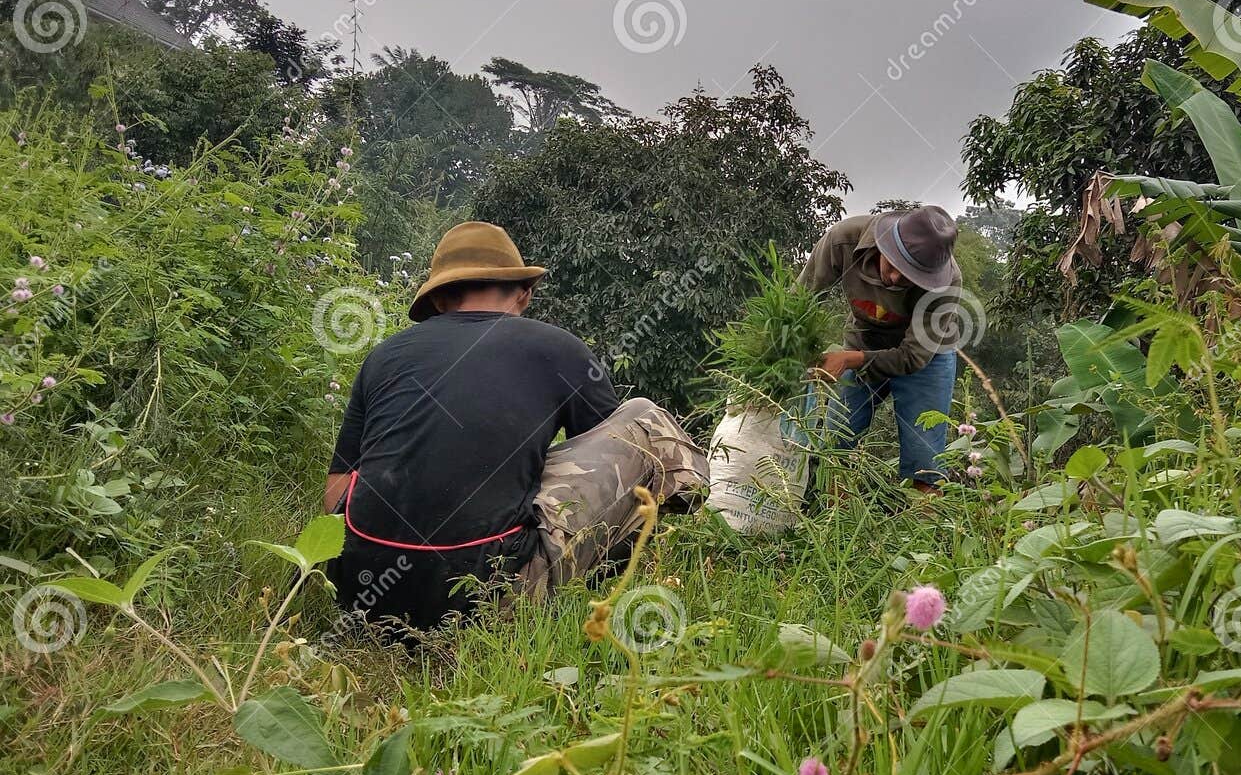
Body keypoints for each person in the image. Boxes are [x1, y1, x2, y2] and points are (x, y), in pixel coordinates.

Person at [325, 221, 707, 631]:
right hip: (483, 602)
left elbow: (334, 494)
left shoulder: (385, 356)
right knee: (643, 421)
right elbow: (612, 473)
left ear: (437, 301)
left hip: (358, 597)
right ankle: (624, 579)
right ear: (524, 293)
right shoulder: (557, 348)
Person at [799, 205, 963, 490]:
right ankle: (835, 517)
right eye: (896, 265)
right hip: (864, 338)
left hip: (926, 356)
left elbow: (912, 357)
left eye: (912, 275)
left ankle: (924, 522)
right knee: (837, 437)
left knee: (925, 457)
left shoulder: (948, 283)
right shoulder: (844, 240)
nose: (897, 279)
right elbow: (800, 302)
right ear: (885, 243)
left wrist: (848, 360)